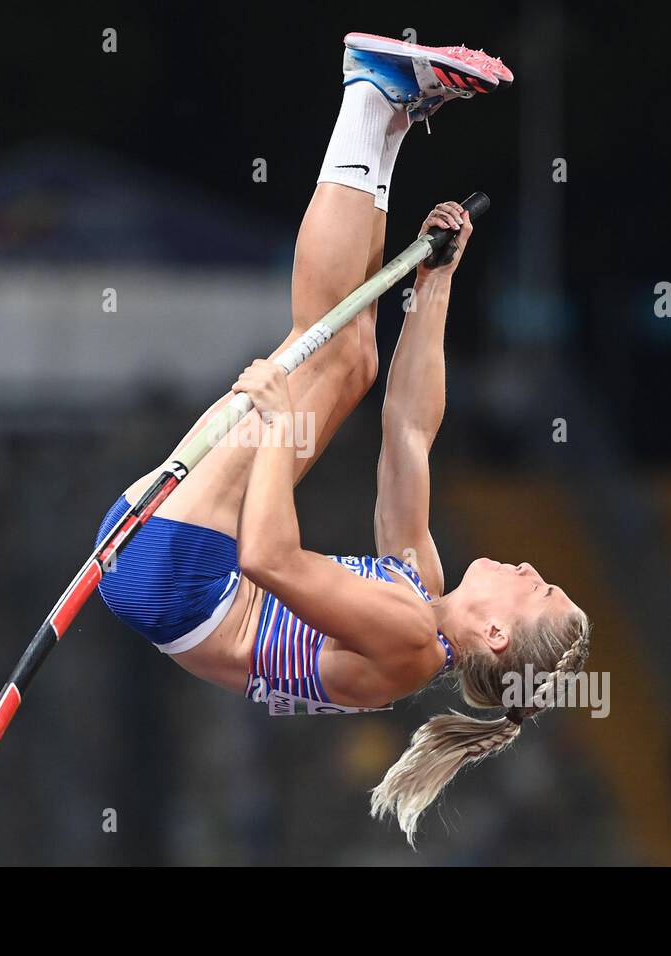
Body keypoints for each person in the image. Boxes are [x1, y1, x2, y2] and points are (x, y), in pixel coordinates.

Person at [94, 33, 590, 843]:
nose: (533, 569)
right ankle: (387, 115)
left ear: (497, 635)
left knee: (321, 357)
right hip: (187, 573)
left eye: (539, 589)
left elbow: (269, 559)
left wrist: (276, 415)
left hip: (180, 579)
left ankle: (373, 96)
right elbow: (409, 431)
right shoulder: (419, 589)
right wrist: (435, 291)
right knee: (354, 356)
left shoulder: (405, 641)